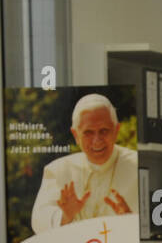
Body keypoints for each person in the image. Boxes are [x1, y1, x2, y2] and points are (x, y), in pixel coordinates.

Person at [31, 93, 138, 233]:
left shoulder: (139, 165)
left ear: (116, 130)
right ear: (76, 135)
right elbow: (39, 220)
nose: (97, 140)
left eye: (104, 131)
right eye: (88, 132)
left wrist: (131, 220)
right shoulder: (58, 171)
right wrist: (65, 217)